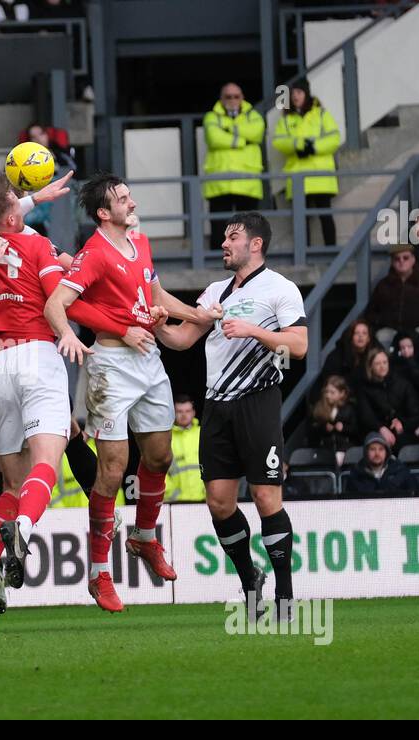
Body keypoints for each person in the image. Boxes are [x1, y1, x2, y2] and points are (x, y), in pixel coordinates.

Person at [46, 174, 207, 612]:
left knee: (160, 457)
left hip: (148, 359)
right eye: (122, 198)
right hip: (111, 366)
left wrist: (196, 314)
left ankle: (144, 537)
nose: (131, 201)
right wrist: (119, 329)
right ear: (104, 212)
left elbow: (155, 293)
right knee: (113, 471)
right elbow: (59, 304)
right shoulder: (94, 253)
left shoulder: (141, 242)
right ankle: (99, 571)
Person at [154, 211, 307, 620]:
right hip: (216, 406)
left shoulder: (281, 288)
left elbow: (299, 345)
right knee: (220, 502)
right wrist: (156, 327)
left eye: (233, 236)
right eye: (224, 236)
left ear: (255, 244)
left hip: (259, 401)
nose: (225, 243)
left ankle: (286, 599)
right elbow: (184, 338)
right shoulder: (215, 291)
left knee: (264, 496)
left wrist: (255, 331)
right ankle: (249, 581)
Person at [0, 178, 80, 627]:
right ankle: (22, 532)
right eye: (16, 204)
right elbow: (58, 300)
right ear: (11, 216)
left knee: (10, 485)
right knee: (49, 459)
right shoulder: (36, 245)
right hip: (38, 354)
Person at [271, 77, 340, 246]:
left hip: (320, 175)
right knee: (301, 220)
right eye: (293, 93)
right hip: (298, 175)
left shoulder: (321, 114)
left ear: (307, 94)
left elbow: (334, 138)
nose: (295, 96)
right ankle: (305, 254)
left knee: (325, 216)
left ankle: (331, 251)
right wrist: (298, 145)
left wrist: (313, 147)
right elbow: (278, 141)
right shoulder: (286, 119)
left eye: (299, 92)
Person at [202, 82, 265, 252]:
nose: (232, 100)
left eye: (236, 96)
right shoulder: (211, 116)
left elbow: (257, 133)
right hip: (220, 183)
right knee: (219, 229)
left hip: (247, 183)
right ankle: (218, 261)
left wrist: (229, 128)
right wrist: (242, 140)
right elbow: (214, 138)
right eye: (228, 96)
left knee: (249, 229)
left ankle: (249, 261)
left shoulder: (253, 115)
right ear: (221, 99)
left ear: (242, 98)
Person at [365, 244, 419, 332]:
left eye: (406, 258)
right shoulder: (384, 285)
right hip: (392, 330)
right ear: (392, 262)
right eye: (397, 259)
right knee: (382, 336)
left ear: (413, 259)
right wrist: (381, 321)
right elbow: (371, 312)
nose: (401, 261)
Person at [355, 346, 419, 449]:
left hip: (403, 431)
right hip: (375, 432)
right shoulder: (364, 388)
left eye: (385, 362)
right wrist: (381, 428)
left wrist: (401, 423)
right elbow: (366, 416)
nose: (382, 366)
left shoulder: (403, 384)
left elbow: (415, 414)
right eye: (377, 363)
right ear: (370, 366)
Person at [342, 432, 418, 495]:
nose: (377, 453)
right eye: (372, 449)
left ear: (387, 452)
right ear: (366, 452)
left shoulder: (401, 472)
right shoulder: (356, 475)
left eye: (381, 449)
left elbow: (414, 498)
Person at [165, 394, 205, 502]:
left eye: (187, 411)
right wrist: (170, 493)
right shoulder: (166, 438)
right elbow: (159, 468)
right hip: (175, 502)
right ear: (173, 413)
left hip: (205, 500)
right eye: (179, 411)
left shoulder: (203, 434)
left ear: (193, 412)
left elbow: (215, 465)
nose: (184, 415)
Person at [307, 374, 358, 454]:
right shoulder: (319, 408)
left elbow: (356, 429)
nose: (328, 395)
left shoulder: (349, 409)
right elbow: (312, 429)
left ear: (342, 393)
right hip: (324, 449)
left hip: (344, 448)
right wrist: (324, 428)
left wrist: (344, 428)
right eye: (327, 392)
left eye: (332, 392)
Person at [321, 319, 378, 387]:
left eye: (364, 333)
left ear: (368, 338)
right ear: (351, 337)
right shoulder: (337, 356)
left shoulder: (374, 355)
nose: (360, 336)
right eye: (356, 333)